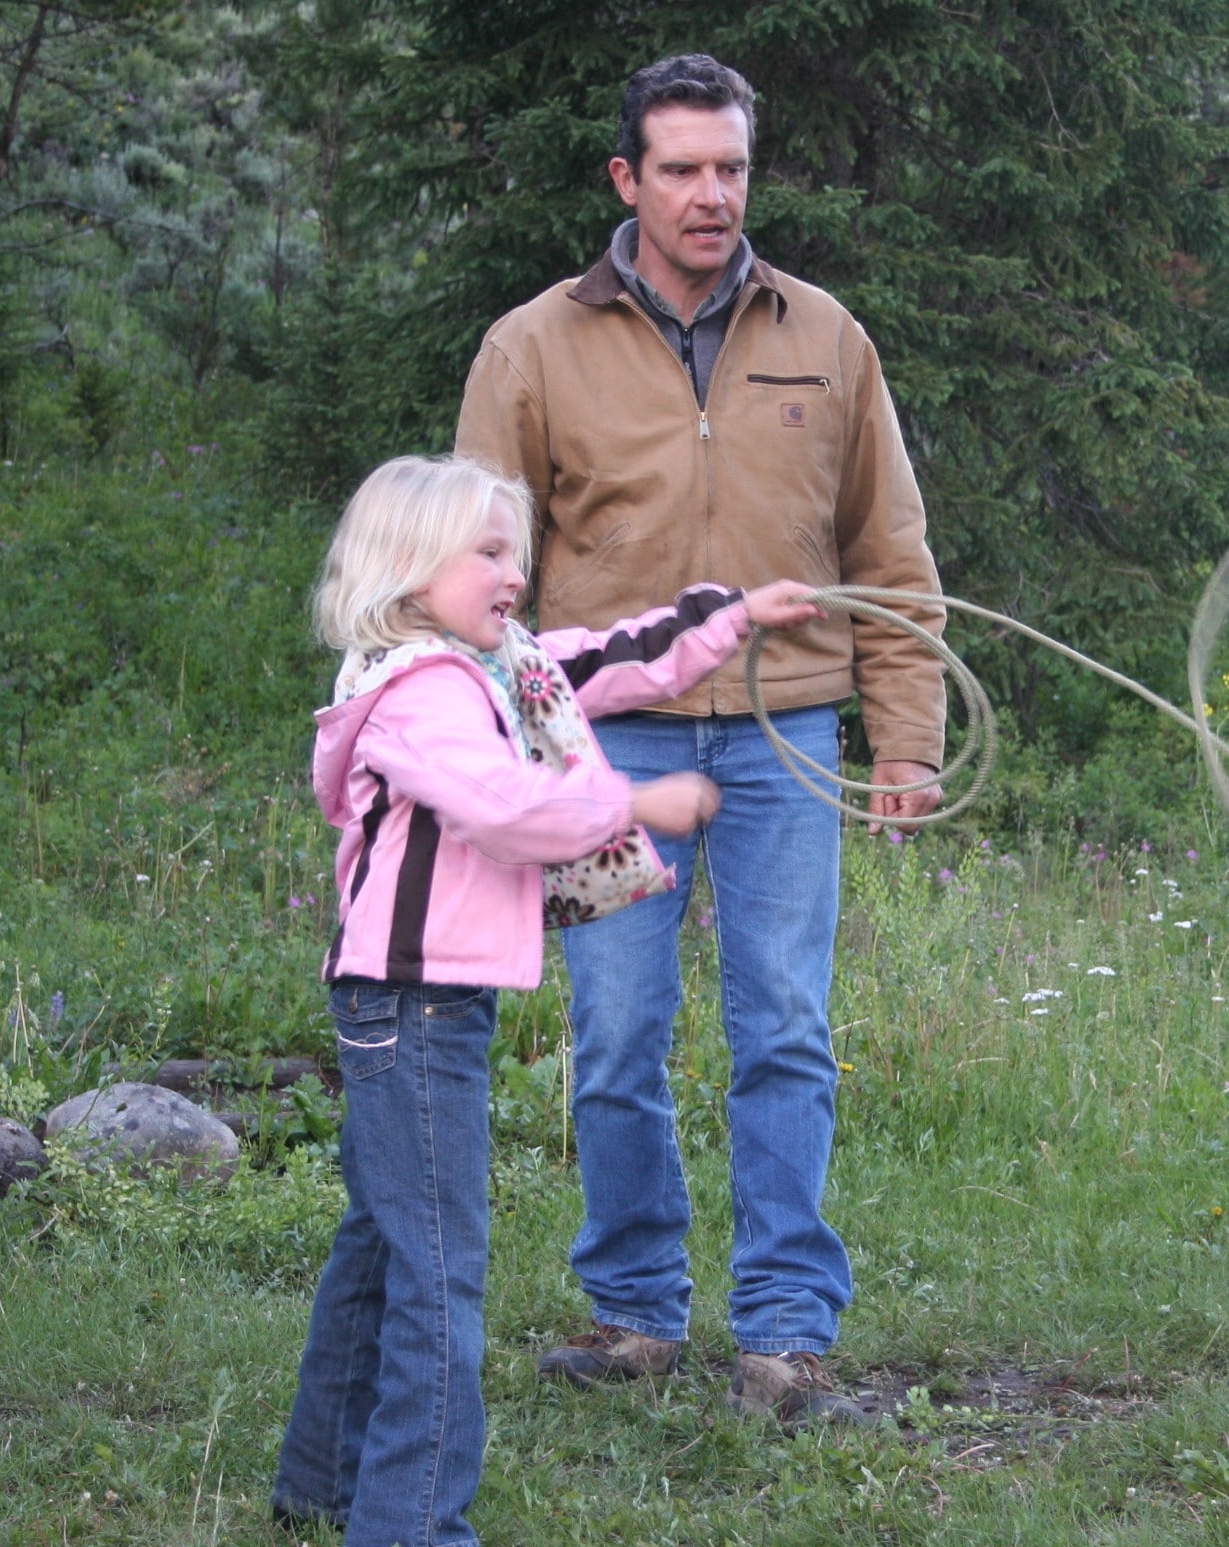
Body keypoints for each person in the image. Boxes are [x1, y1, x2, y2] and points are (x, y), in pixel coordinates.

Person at [455, 53, 946, 1426]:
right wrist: (490, 756)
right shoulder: (533, 346)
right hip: (604, 753)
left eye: (728, 167)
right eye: (679, 169)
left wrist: (905, 742)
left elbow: (890, 556)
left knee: (784, 1028)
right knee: (617, 1034)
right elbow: (475, 580)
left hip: (789, 739)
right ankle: (633, 1319)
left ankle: (785, 1337)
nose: (708, 195)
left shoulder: (828, 338)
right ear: (627, 180)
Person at [272, 453, 823, 1547]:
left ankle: (322, 1484)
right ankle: (414, 1534)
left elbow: (608, 662)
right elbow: (506, 806)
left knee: (385, 1239)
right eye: (484, 551)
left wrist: (730, 620)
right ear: (406, 567)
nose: (511, 572)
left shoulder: (494, 666)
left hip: (425, 999)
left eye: (514, 550)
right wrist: (635, 801)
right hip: (410, 1002)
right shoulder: (421, 690)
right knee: (436, 1260)